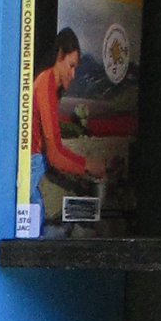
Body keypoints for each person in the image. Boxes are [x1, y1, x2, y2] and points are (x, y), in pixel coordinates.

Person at [29, 27, 105, 225]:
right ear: (59, 56)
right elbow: (54, 154)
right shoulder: (45, 84)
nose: (73, 74)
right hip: (31, 166)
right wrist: (88, 165)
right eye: (71, 66)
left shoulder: (48, 85)